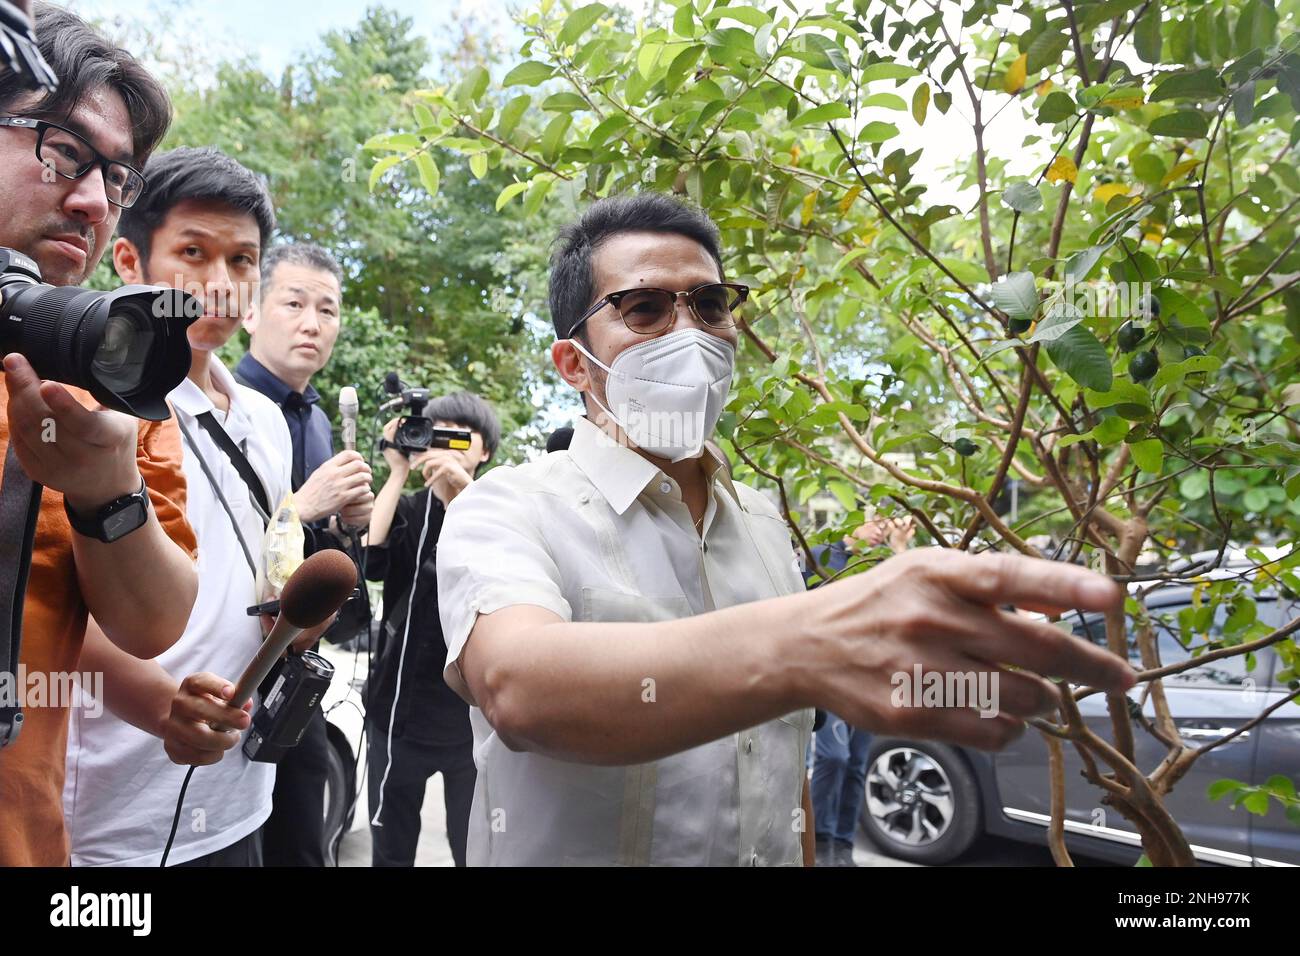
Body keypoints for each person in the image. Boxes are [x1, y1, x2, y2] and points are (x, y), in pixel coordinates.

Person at [434, 192, 1134, 866]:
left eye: (709, 305)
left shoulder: (766, 528)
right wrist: (809, 644)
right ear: (573, 365)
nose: (691, 333)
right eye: (643, 309)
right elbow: (519, 689)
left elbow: (779, 774)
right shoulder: (507, 508)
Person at [63, 147, 335, 866]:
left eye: (243, 261)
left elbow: (271, 555)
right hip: (114, 814)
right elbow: (52, 611)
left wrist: (291, 611)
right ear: (129, 259)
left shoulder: (265, 419)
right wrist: (160, 708)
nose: (220, 283)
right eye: (193, 252)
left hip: (244, 792)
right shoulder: (90, 409)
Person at [0, 2, 199, 867]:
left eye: (116, 182)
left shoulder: (113, 366)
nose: (91, 203)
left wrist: (103, 484)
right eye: (64, 152)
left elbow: (153, 623)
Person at [236, 241, 372, 865]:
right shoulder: (223, 404)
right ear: (251, 311)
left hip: (298, 669)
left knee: (302, 841)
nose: (313, 323)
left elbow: (322, 553)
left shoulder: (318, 422)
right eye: (293, 303)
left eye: (328, 309)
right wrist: (304, 502)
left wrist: (350, 526)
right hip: (227, 665)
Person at [364, 391, 500, 866]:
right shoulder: (409, 509)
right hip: (396, 715)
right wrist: (397, 469)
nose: (446, 447)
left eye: (460, 439)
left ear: (485, 451)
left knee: (475, 849)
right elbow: (372, 558)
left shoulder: (499, 511)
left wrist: (463, 494)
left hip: (470, 725)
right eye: (436, 435)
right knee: (391, 851)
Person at [805, 513, 915, 867]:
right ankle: (819, 840)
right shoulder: (822, 554)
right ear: (857, 521)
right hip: (833, 675)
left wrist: (899, 548)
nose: (879, 533)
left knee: (856, 764)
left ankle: (842, 845)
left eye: (887, 529)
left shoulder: (882, 564)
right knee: (834, 756)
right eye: (877, 524)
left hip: (873, 676)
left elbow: (910, 601)